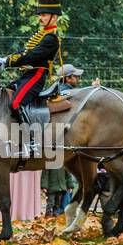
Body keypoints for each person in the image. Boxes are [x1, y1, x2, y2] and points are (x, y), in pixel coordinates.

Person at [0, 0, 64, 157]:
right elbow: (25, 52)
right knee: (3, 97)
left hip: (36, 76)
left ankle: (31, 141)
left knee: (16, 103)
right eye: (40, 14)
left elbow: (32, 56)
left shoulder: (51, 38)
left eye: (44, 14)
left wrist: (9, 61)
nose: (40, 18)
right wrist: (6, 59)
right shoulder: (42, 35)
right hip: (26, 75)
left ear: (54, 17)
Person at [40, 63, 82, 213]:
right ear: (68, 78)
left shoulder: (64, 90)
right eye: (75, 76)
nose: (78, 78)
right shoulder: (67, 92)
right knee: (53, 202)